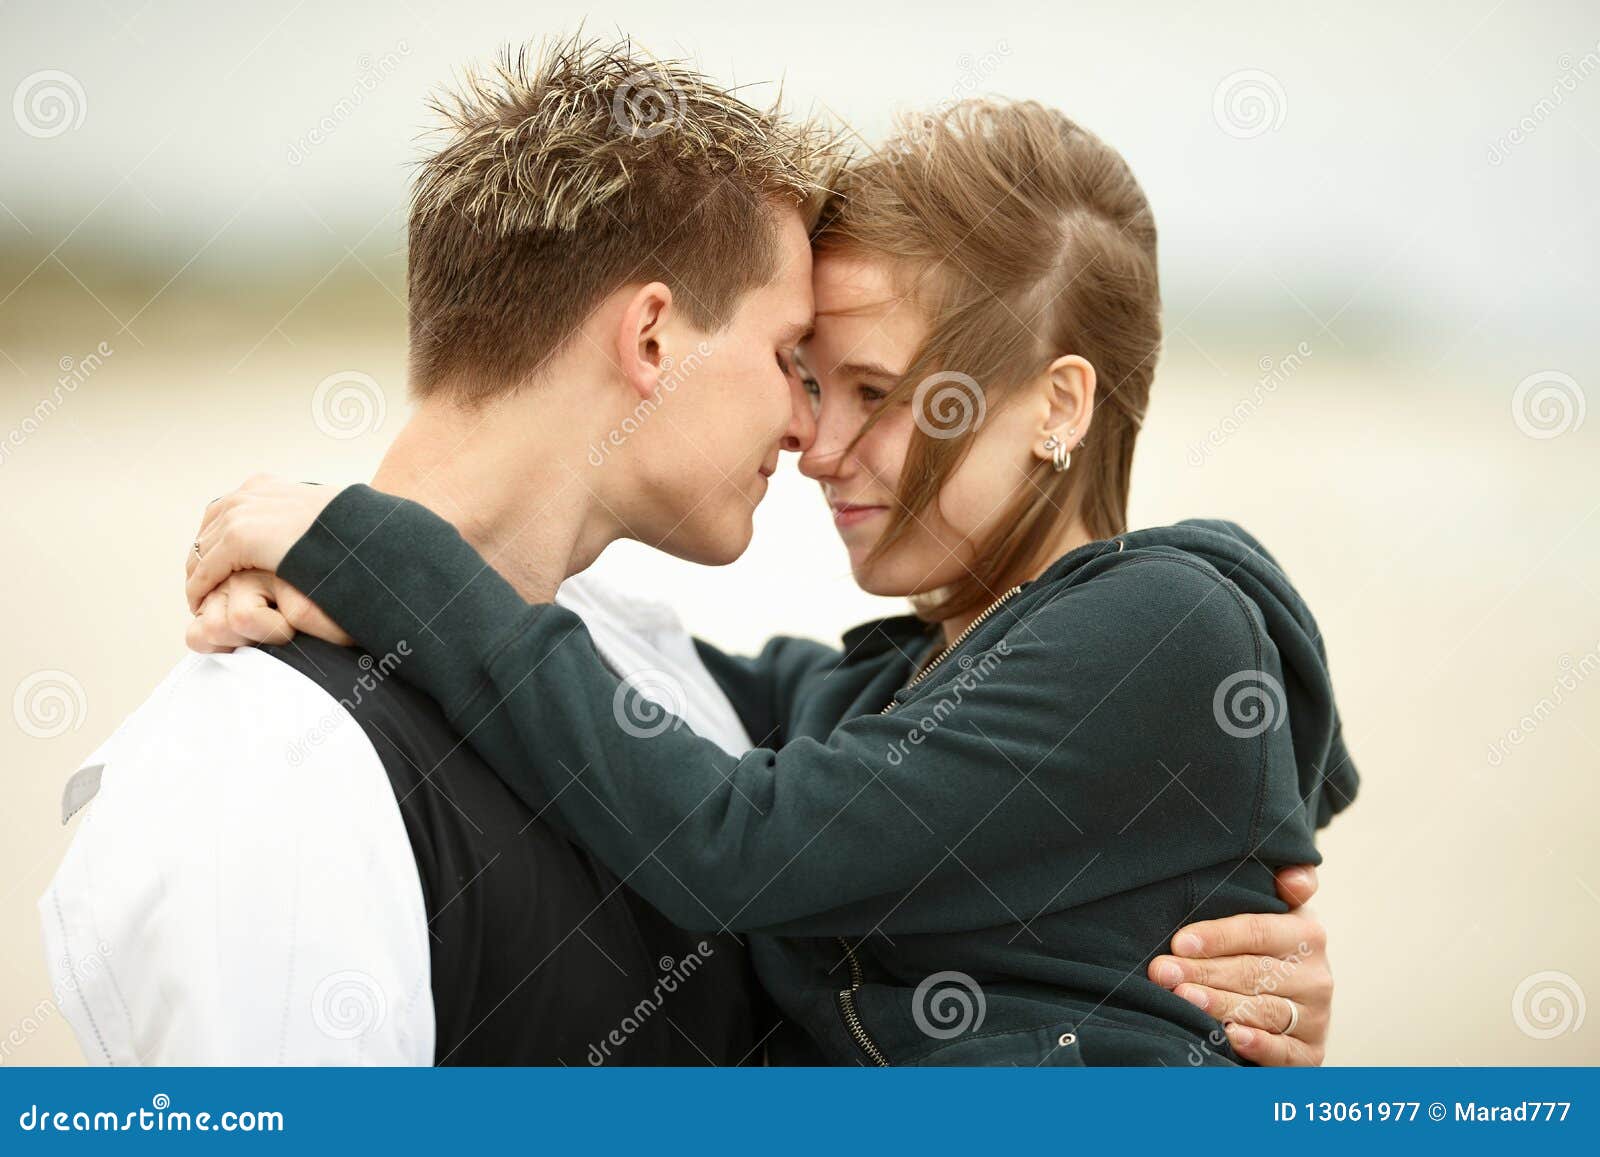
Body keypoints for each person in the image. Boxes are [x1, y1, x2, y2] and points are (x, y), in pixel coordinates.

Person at [182, 96, 1354, 1065]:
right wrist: (334, 578)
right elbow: (616, 683)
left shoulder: (1166, 627)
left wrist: (382, 562)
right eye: (805, 375)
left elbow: (734, 843)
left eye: (878, 392)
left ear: (1057, 404)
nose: (818, 443)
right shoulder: (882, 687)